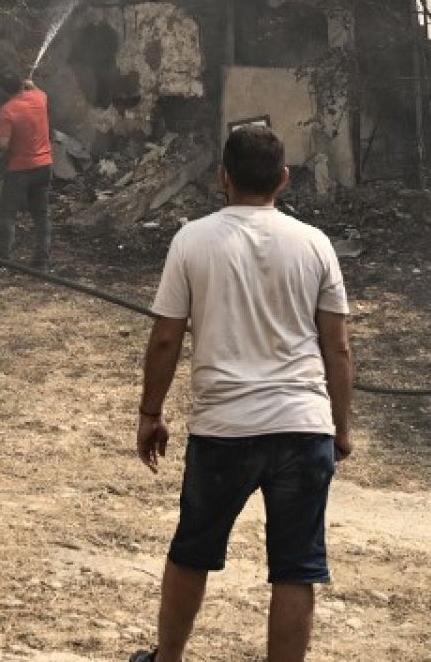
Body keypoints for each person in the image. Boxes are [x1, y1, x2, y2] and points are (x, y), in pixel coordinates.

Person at [130, 124, 355, 662]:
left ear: (222, 178)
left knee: (192, 552)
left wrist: (150, 413)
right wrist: (341, 427)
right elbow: (338, 347)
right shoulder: (315, 244)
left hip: (223, 430)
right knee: (297, 568)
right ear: (283, 178)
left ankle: (168, 660)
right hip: (303, 427)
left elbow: (165, 338)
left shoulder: (192, 240)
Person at [0, 75, 54, 269]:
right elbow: (38, 91)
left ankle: (1, 260)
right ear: (22, 84)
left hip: (19, 169)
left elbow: (3, 144)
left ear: (4, 90)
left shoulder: (7, 110)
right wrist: (32, 84)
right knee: (41, 215)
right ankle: (41, 261)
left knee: (8, 215)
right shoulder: (40, 97)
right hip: (44, 166)